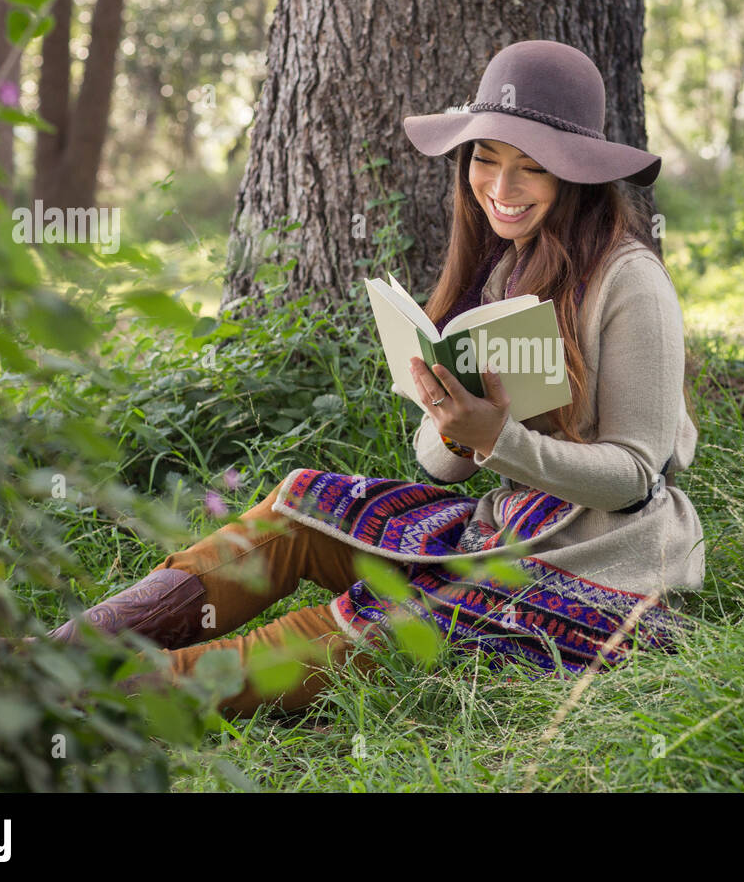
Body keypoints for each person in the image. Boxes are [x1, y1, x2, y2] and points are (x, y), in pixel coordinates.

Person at [44, 40, 706, 719]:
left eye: (531, 170)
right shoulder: (509, 271)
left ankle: (71, 699)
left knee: (372, 626)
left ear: (576, 175)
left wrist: (499, 438)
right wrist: (455, 426)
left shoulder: (632, 282)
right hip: (502, 534)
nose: (500, 191)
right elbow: (437, 464)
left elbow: (633, 478)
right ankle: (55, 653)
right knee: (300, 504)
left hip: (599, 572)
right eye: (486, 159)